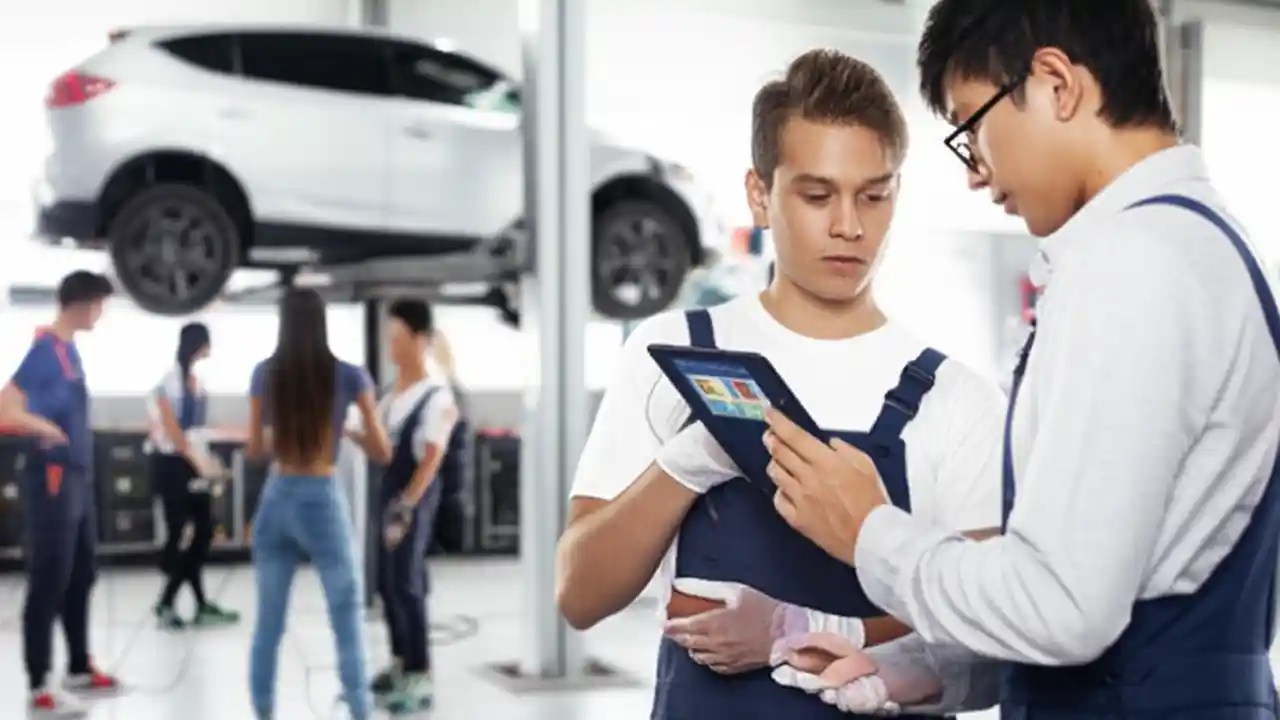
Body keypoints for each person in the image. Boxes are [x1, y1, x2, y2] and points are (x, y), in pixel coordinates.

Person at [763, 2, 1280, 718]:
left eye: (973, 126)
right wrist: (917, 668)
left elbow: (1065, 610)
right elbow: (1105, 589)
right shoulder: (1200, 243)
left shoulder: (1131, 266)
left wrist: (870, 533)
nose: (978, 172)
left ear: (1055, 83)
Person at [555, 49, 1005, 718]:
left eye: (873, 195)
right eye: (817, 195)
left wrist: (799, 628)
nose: (849, 225)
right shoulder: (671, 355)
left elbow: (986, 628)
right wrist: (688, 463)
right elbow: (580, 596)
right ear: (760, 194)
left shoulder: (956, 401)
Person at [246, 288, 392, 720]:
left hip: (277, 495)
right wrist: (345, 431)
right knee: (346, 620)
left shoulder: (264, 373)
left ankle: (264, 711)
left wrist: (281, 436)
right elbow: (383, 450)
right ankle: (361, 711)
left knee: (268, 624)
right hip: (321, 498)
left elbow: (255, 448)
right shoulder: (349, 375)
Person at [0, 270, 121, 718]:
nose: (101, 314)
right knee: (49, 580)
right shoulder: (45, 351)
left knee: (83, 573)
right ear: (84, 303)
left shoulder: (67, 350)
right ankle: (39, 685)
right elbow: (3, 407)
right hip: (51, 480)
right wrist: (43, 426)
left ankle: (78, 667)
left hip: (76, 480)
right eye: (100, 305)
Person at [349, 299, 459, 715]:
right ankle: (398, 664)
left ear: (419, 341)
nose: (390, 347)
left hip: (413, 497)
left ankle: (420, 672)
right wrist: (349, 431)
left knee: (408, 585)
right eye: (388, 338)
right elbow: (381, 451)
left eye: (397, 338)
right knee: (389, 583)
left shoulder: (435, 396)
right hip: (388, 493)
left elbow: (431, 458)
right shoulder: (391, 396)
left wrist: (407, 507)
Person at [147, 322, 239, 630]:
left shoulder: (196, 383)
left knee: (203, 530)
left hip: (192, 461)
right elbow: (173, 432)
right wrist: (200, 463)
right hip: (171, 465)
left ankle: (196, 604)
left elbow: (196, 431)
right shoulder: (167, 383)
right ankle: (167, 602)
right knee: (183, 535)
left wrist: (209, 462)